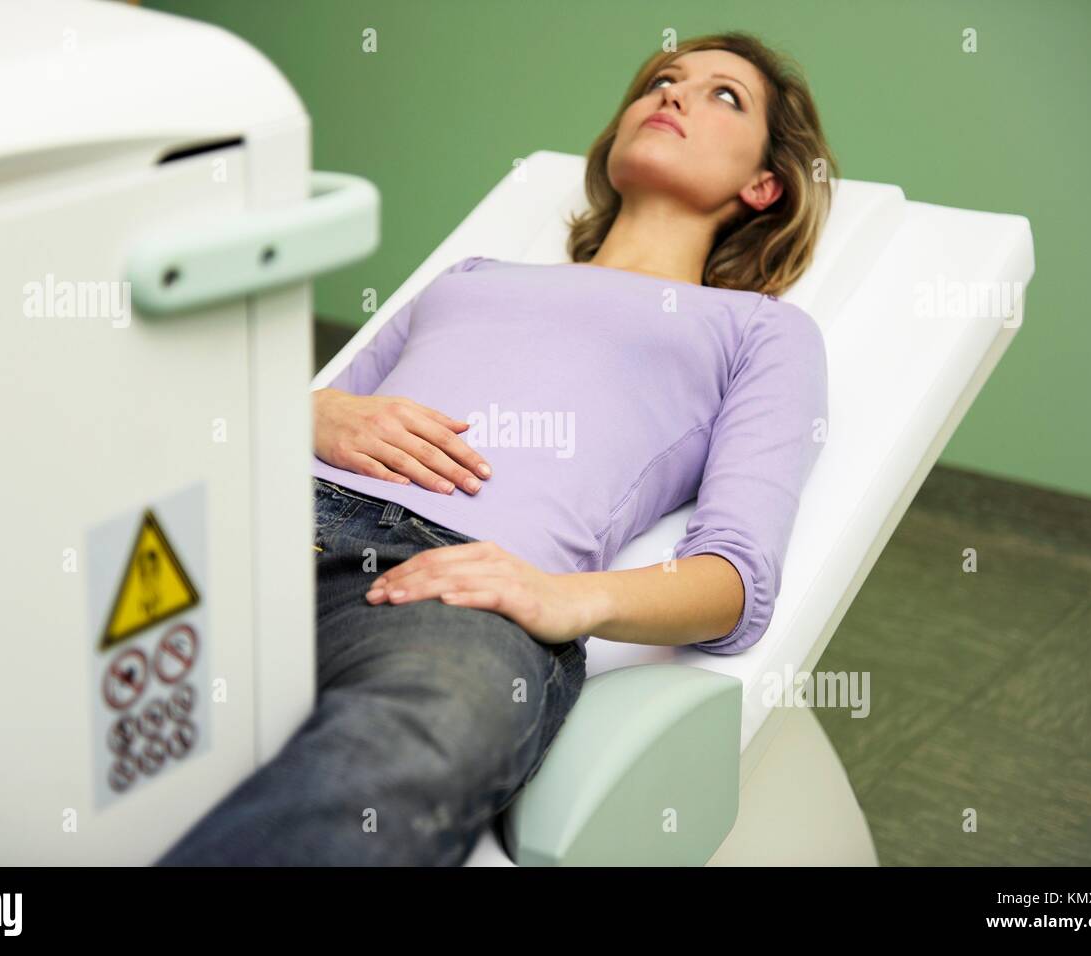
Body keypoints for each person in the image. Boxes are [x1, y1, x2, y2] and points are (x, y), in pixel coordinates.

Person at [157, 30, 835, 866]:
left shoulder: (761, 331)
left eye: (722, 94)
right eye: (661, 79)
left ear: (764, 184)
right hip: (270, 508)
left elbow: (736, 578)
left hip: (457, 583)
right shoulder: (470, 277)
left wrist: (569, 597)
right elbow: (254, 420)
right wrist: (309, 411)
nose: (671, 95)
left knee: (412, 747)